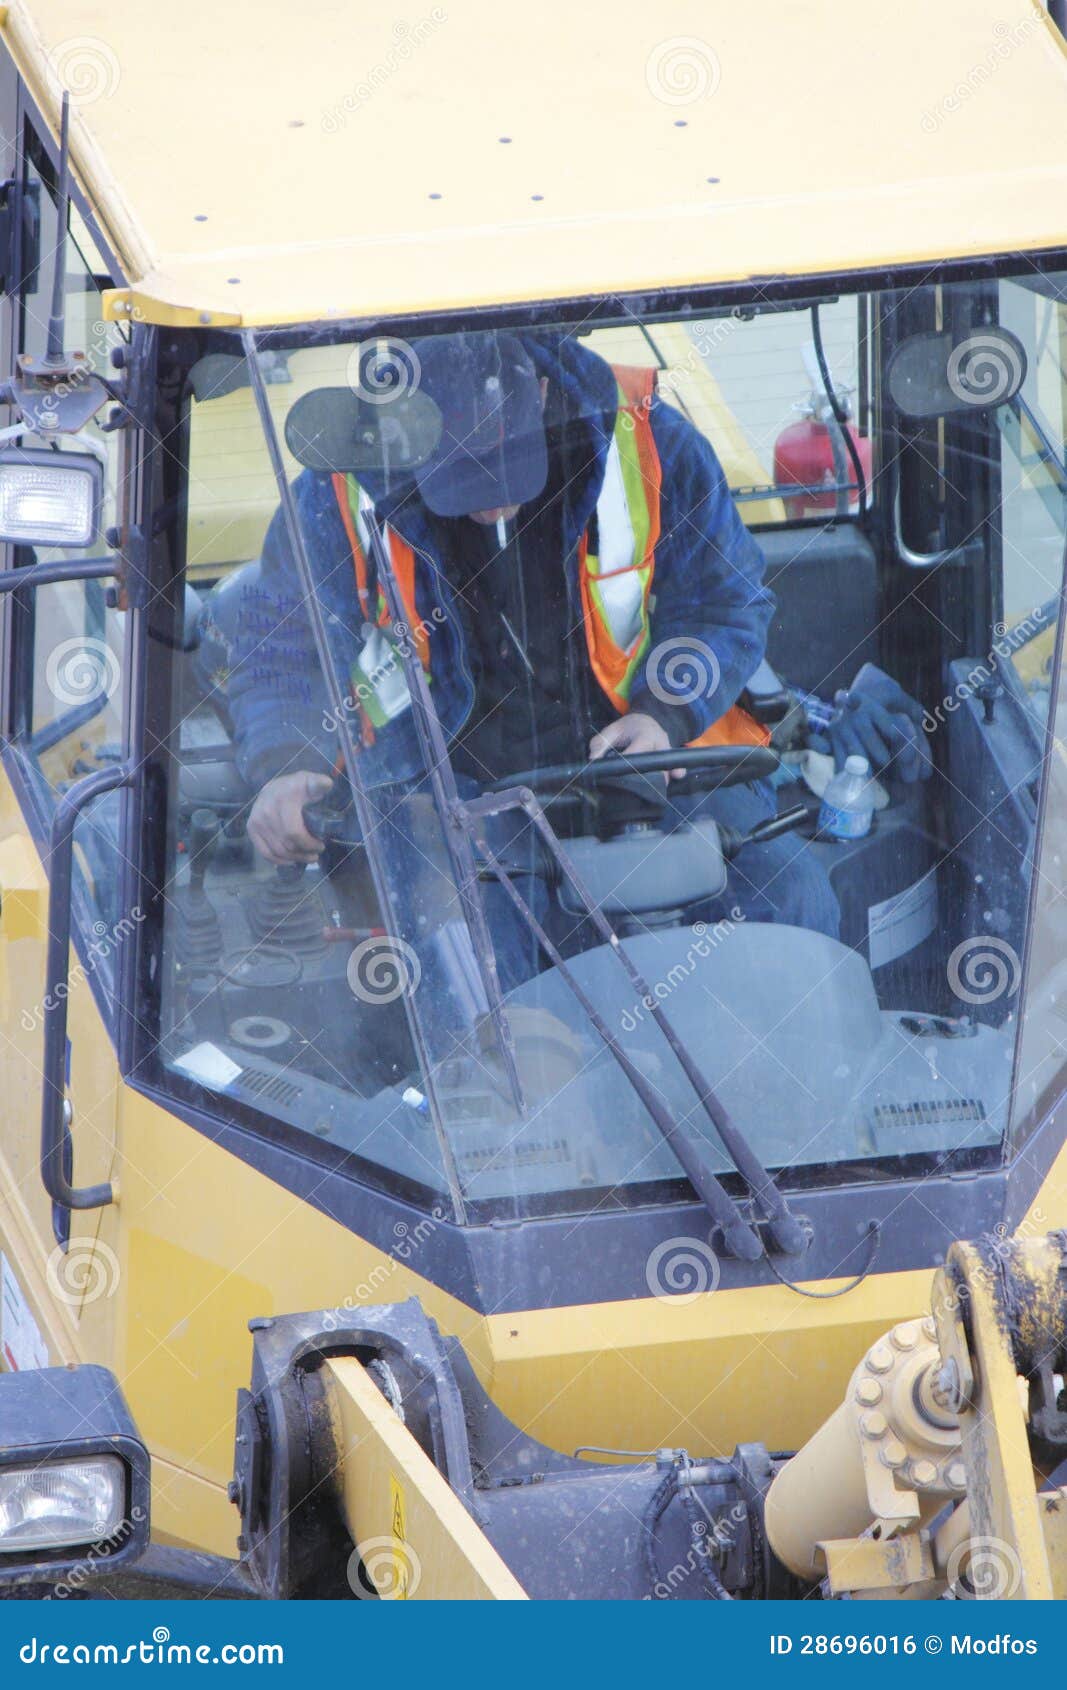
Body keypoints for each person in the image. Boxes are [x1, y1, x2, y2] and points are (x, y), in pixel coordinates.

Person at [226, 329, 841, 989]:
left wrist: (664, 715)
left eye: (509, 467)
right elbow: (280, 648)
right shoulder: (335, 493)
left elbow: (725, 604)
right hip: (445, 792)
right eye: (460, 480)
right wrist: (287, 767)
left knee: (790, 905)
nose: (491, 500)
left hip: (647, 763)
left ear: (544, 392)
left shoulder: (651, 444)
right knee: (471, 974)